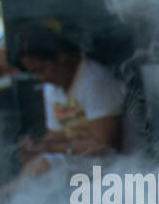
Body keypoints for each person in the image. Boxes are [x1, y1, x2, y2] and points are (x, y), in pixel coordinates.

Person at [10, 21, 124, 177]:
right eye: (34, 73)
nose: (40, 78)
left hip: (113, 168)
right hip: (80, 164)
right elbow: (58, 135)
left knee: (42, 166)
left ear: (61, 56)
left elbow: (103, 146)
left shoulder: (94, 81)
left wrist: (49, 149)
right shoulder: (51, 87)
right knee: (35, 167)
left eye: (41, 69)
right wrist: (36, 146)